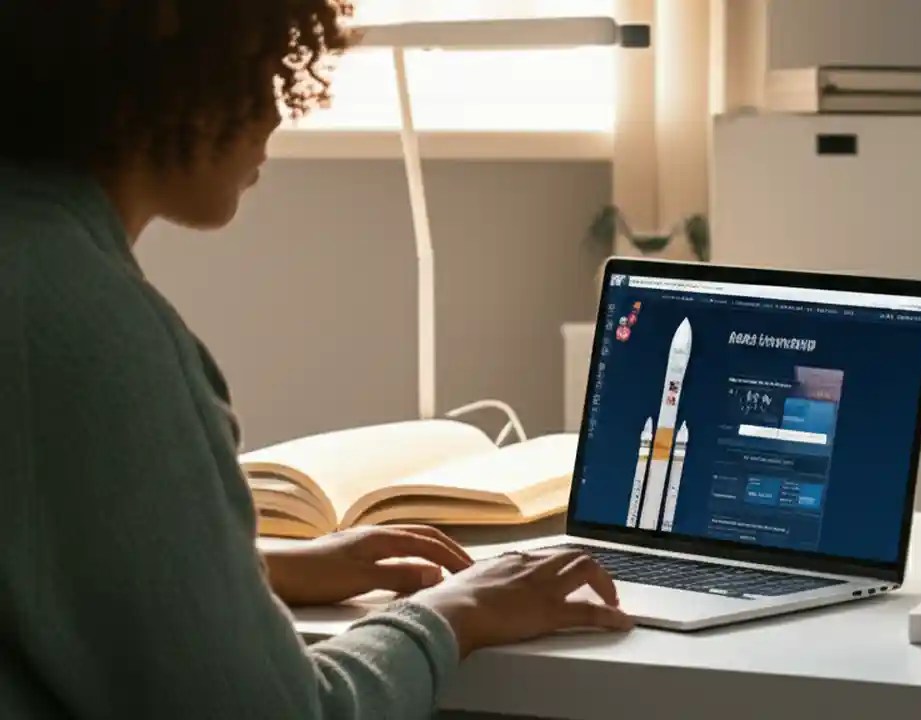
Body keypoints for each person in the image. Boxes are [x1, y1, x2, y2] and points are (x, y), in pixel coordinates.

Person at [0, 2, 632, 718]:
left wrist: (254, 568)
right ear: (167, 65)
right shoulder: (93, 331)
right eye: (260, 72)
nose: (276, 115)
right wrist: (454, 614)